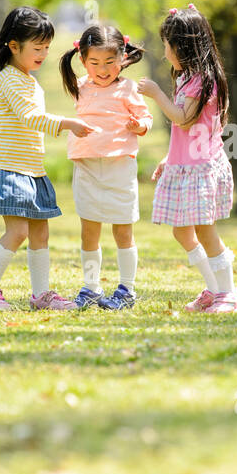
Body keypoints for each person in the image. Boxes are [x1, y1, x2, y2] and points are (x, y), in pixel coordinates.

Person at [0, 6, 94, 310]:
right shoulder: (9, 78)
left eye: (47, 47)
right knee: (18, 231)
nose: (44, 53)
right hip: (7, 168)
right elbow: (31, 118)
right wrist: (68, 124)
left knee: (40, 231)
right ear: (13, 45)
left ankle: (41, 295)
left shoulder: (29, 80)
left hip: (30, 169)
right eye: (37, 47)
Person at [138, 4, 237, 313]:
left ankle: (228, 293)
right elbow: (192, 131)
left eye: (167, 45)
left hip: (201, 169)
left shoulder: (202, 80)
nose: (164, 52)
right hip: (188, 164)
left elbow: (184, 119)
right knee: (181, 231)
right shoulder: (188, 77)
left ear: (182, 45)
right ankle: (215, 288)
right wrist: (170, 157)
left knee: (204, 230)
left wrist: (157, 94)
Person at [59, 24, 153, 310]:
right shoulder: (79, 86)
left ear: (122, 58)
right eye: (94, 62)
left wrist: (140, 126)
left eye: (109, 62)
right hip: (87, 167)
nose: (102, 69)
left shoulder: (127, 88)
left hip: (120, 167)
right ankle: (91, 287)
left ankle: (127, 289)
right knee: (89, 230)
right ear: (83, 60)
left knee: (123, 231)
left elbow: (145, 116)